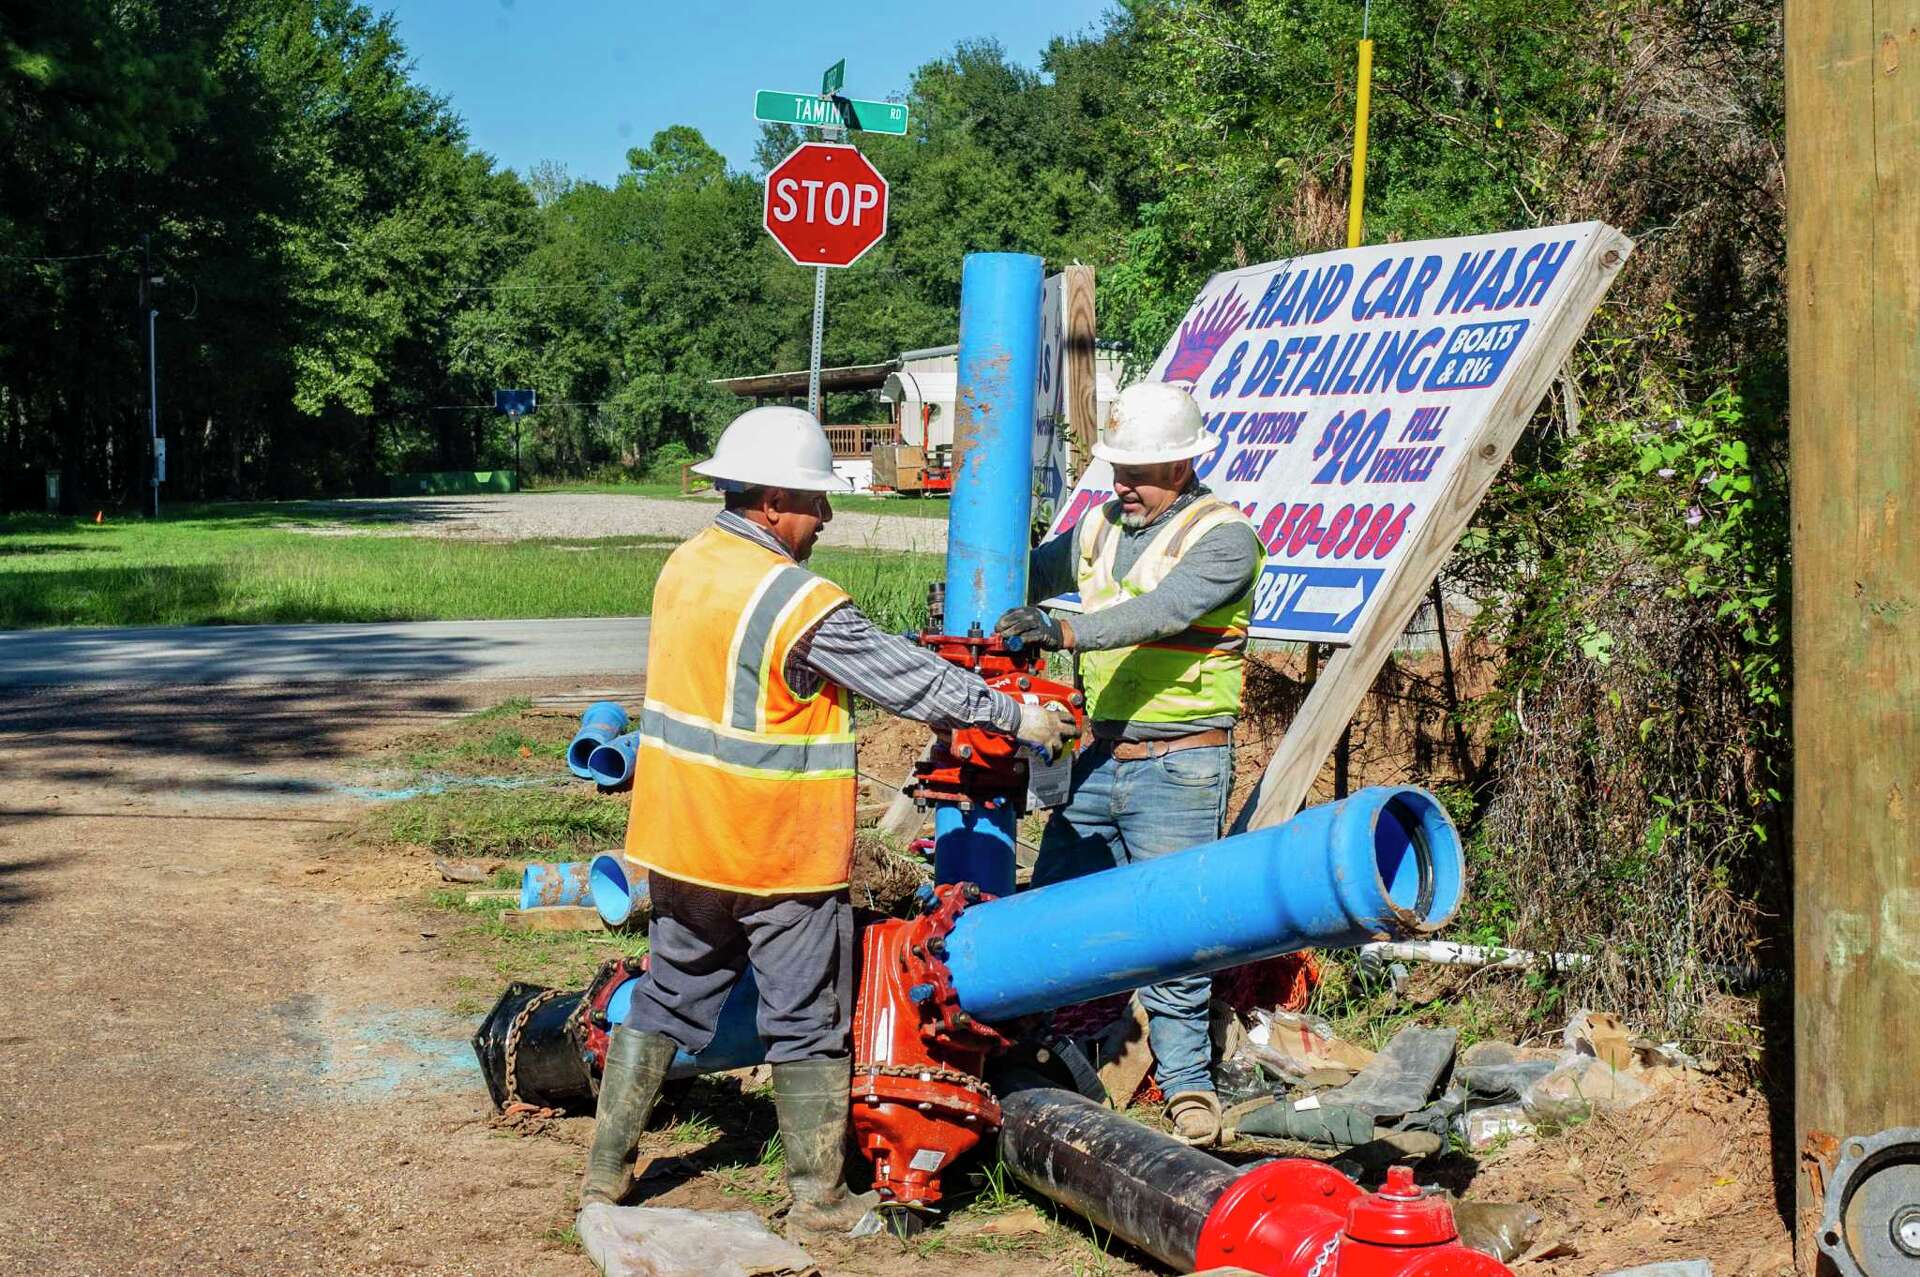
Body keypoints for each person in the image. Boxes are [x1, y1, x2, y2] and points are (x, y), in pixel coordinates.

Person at [580, 406, 1078, 1236]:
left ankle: (604, 1175)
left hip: (681, 838)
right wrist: (1012, 714)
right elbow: (903, 679)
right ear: (772, 500)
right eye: (815, 500)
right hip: (774, 849)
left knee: (666, 996)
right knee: (806, 1015)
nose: (827, 517)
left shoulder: (687, 564)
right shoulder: (792, 596)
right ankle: (817, 1199)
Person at [995, 381, 1264, 1148]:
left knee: (1176, 932)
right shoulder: (1099, 527)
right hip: (1100, 755)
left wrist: (1064, 630)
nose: (1122, 484)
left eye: (1140, 471)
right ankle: (1020, 1054)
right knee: (1045, 913)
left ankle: (1188, 1091)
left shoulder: (1224, 536)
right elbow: (1027, 572)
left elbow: (1163, 611)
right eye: (1117, 467)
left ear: (1182, 465)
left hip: (1181, 765)